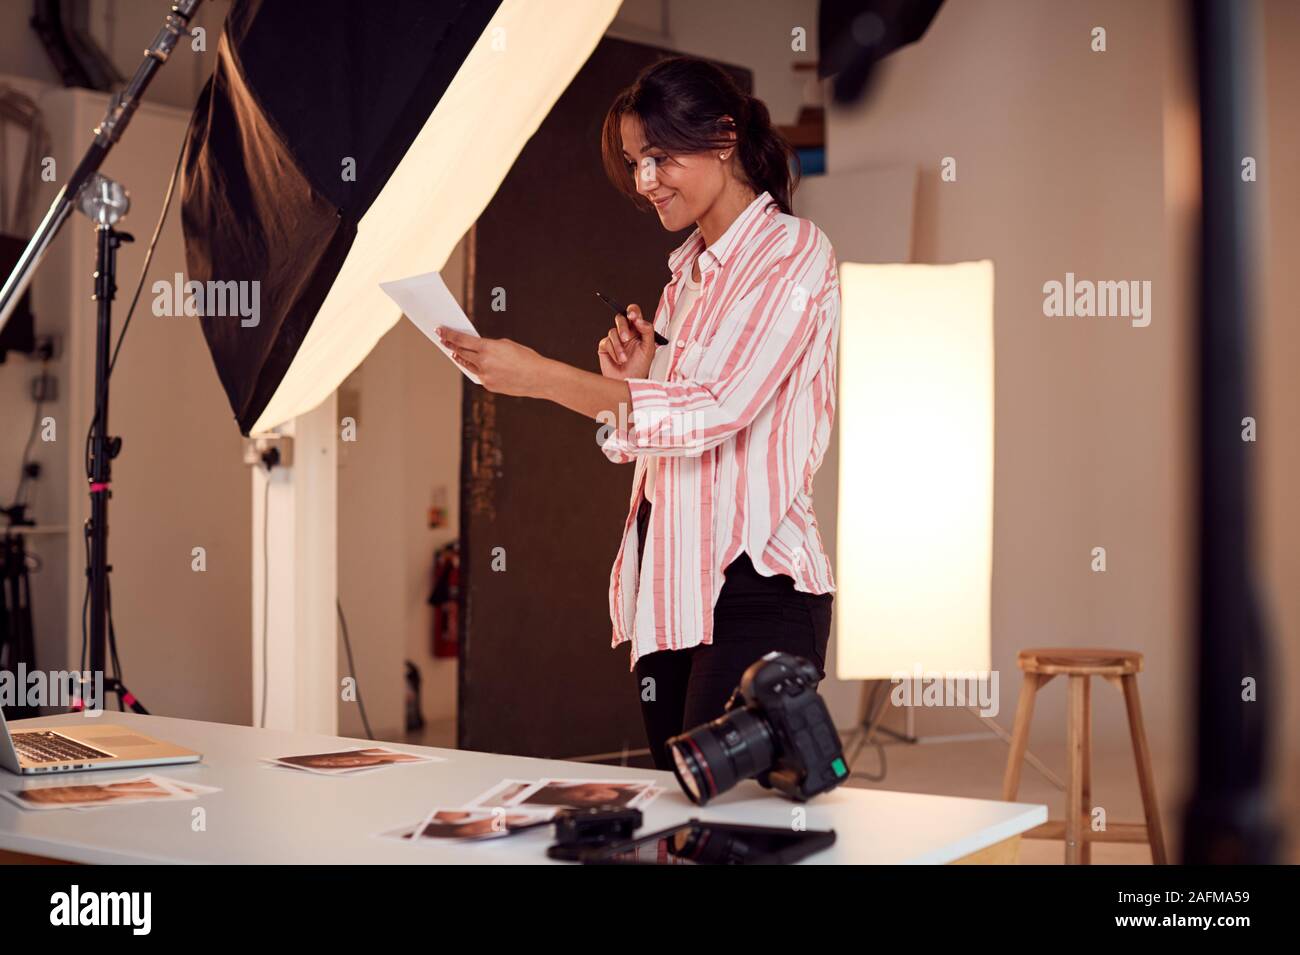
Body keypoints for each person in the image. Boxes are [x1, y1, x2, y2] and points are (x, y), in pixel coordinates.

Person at [436, 56, 839, 771]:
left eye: (659, 157)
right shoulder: (685, 277)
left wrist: (545, 379)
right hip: (670, 589)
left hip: (757, 587)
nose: (644, 181)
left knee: (735, 828)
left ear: (722, 137)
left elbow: (716, 410)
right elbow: (656, 440)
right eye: (633, 162)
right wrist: (632, 379)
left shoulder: (793, 254)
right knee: (677, 817)